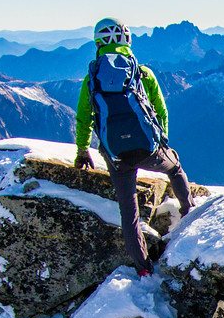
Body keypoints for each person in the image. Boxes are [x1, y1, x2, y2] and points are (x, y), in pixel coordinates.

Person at [73, 18, 193, 277]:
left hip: (116, 155)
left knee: (129, 214)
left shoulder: (91, 79)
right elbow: (161, 110)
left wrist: (83, 149)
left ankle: (143, 269)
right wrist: (161, 142)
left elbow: (84, 118)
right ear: (126, 39)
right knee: (174, 168)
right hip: (149, 150)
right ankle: (188, 211)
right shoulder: (142, 73)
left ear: (98, 42)